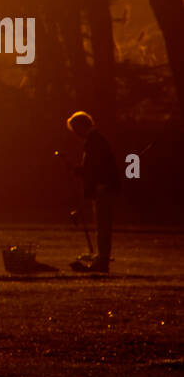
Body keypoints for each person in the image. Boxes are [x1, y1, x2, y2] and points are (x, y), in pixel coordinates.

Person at [66, 110, 118, 272]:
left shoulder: (94, 141)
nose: (75, 134)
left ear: (82, 126)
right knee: (102, 225)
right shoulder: (96, 139)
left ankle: (102, 261)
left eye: (75, 129)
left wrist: (82, 172)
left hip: (103, 188)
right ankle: (101, 259)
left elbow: (96, 166)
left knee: (103, 226)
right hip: (102, 187)